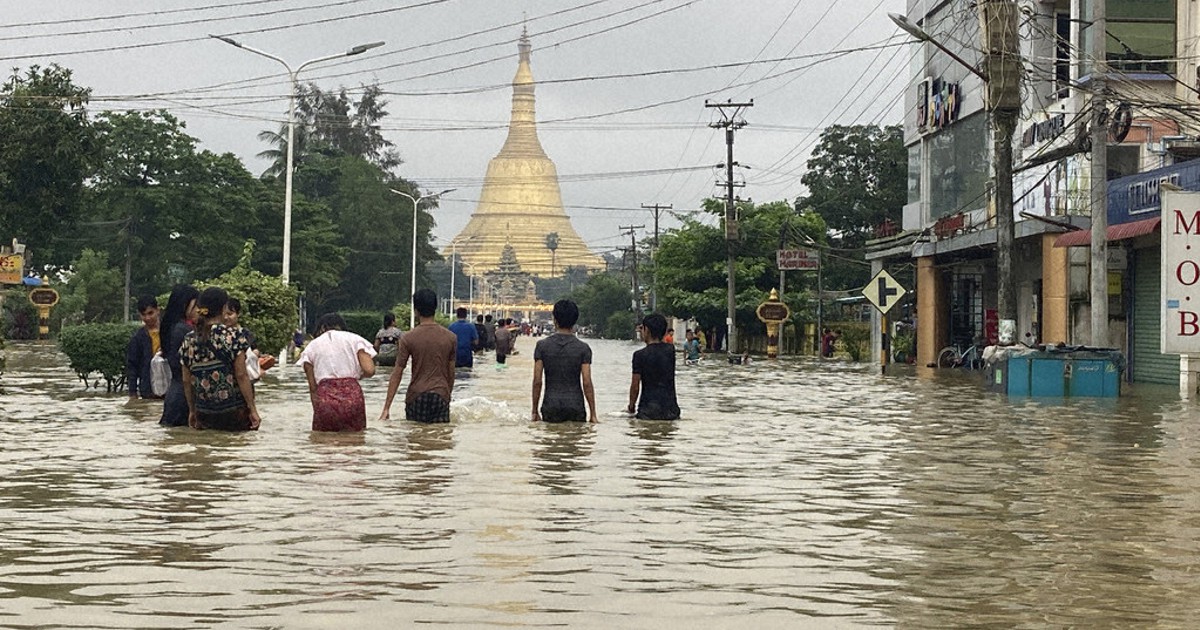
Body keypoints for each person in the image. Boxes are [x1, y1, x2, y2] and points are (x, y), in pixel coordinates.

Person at [179, 287, 260, 431]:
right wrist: (252, 408)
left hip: (204, 412)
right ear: (223, 308)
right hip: (234, 412)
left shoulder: (188, 340)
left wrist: (192, 410)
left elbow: (186, 380)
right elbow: (241, 375)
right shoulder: (233, 336)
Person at [380, 289, 457, 423]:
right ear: (435, 308)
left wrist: (387, 407)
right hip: (440, 395)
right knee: (440, 439)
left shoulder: (408, 338)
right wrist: (447, 396)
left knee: (415, 438)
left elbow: (397, 372)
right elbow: (451, 372)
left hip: (416, 396)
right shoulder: (450, 338)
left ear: (416, 310)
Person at [299, 313, 377, 432]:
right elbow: (370, 370)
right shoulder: (355, 339)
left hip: (325, 397)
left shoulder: (312, 346)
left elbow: (313, 387)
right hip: (353, 397)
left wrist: (318, 409)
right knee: (356, 442)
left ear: (322, 328)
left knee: (324, 443)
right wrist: (357, 376)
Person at [531, 300, 597, 423]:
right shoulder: (583, 348)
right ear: (574, 320)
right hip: (576, 405)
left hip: (551, 405)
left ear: (555, 319)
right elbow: (587, 382)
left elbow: (537, 381)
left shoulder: (542, 346)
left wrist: (534, 411)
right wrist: (593, 414)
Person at [158, 284, 199, 427]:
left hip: (175, 393)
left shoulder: (172, 326)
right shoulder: (184, 330)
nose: (199, 310)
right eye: (195, 305)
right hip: (184, 396)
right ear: (184, 305)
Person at [628, 313, 680, 420]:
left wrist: (631, 406)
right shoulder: (670, 350)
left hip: (648, 411)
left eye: (642, 328)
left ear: (647, 330)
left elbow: (635, 385)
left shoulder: (639, 355)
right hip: (671, 410)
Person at [225, 297, 276, 379]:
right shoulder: (219, 334)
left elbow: (255, 350)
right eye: (224, 314)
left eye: (230, 314)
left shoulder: (245, 333)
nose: (226, 317)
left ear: (238, 314)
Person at [126, 295, 161, 401]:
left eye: (150, 313)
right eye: (143, 315)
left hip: (169, 387)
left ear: (157, 310)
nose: (147, 318)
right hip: (148, 389)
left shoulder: (169, 332)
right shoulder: (137, 338)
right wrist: (132, 393)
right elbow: (132, 366)